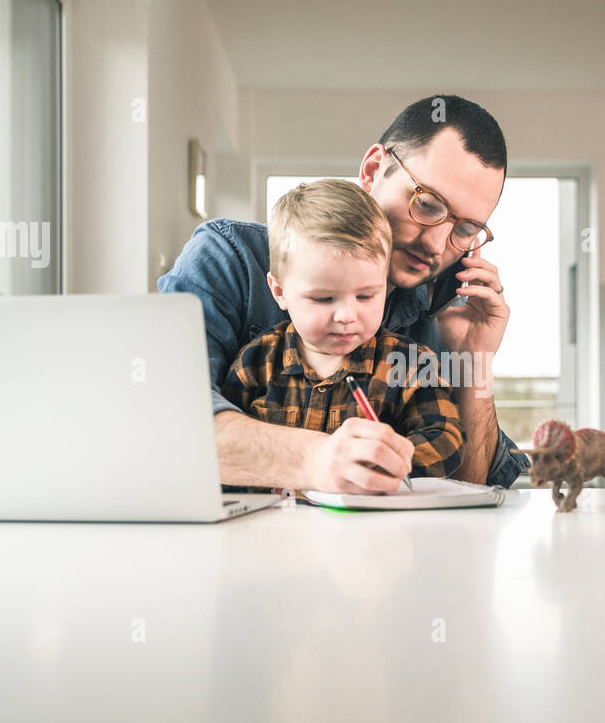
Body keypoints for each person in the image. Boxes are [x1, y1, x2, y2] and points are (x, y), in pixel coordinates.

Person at [158, 94, 529, 493]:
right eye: (427, 203)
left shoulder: (445, 316)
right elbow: (168, 420)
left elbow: (465, 494)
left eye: (467, 229)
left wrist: (475, 362)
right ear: (373, 169)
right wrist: (317, 459)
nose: (438, 245)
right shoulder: (229, 258)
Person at [221, 179, 463, 481]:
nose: (348, 315)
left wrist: (387, 462)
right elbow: (227, 444)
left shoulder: (411, 363)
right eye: (323, 298)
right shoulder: (256, 361)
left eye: (366, 296)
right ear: (280, 292)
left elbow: (446, 438)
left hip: (374, 521)